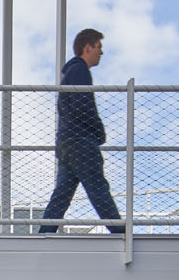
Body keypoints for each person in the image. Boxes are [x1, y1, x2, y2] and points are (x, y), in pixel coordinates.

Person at [38, 27, 122, 234]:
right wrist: (99, 132)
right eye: (98, 47)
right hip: (81, 141)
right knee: (98, 189)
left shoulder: (71, 72)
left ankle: (43, 236)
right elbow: (82, 105)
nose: (101, 52)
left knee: (62, 195)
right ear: (87, 47)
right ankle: (122, 235)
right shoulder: (80, 70)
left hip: (68, 143)